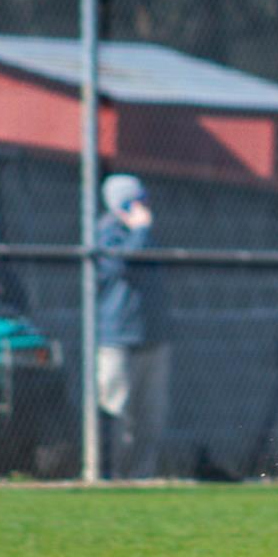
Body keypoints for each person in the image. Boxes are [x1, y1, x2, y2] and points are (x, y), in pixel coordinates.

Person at [96, 173, 169, 480]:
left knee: (151, 417)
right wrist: (139, 230)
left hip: (153, 338)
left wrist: (142, 231)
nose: (144, 206)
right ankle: (114, 477)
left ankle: (144, 476)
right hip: (118, 340)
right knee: (118, 414)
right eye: (137, 200)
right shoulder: (106, 233)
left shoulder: (146, 233)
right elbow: (121, 264)